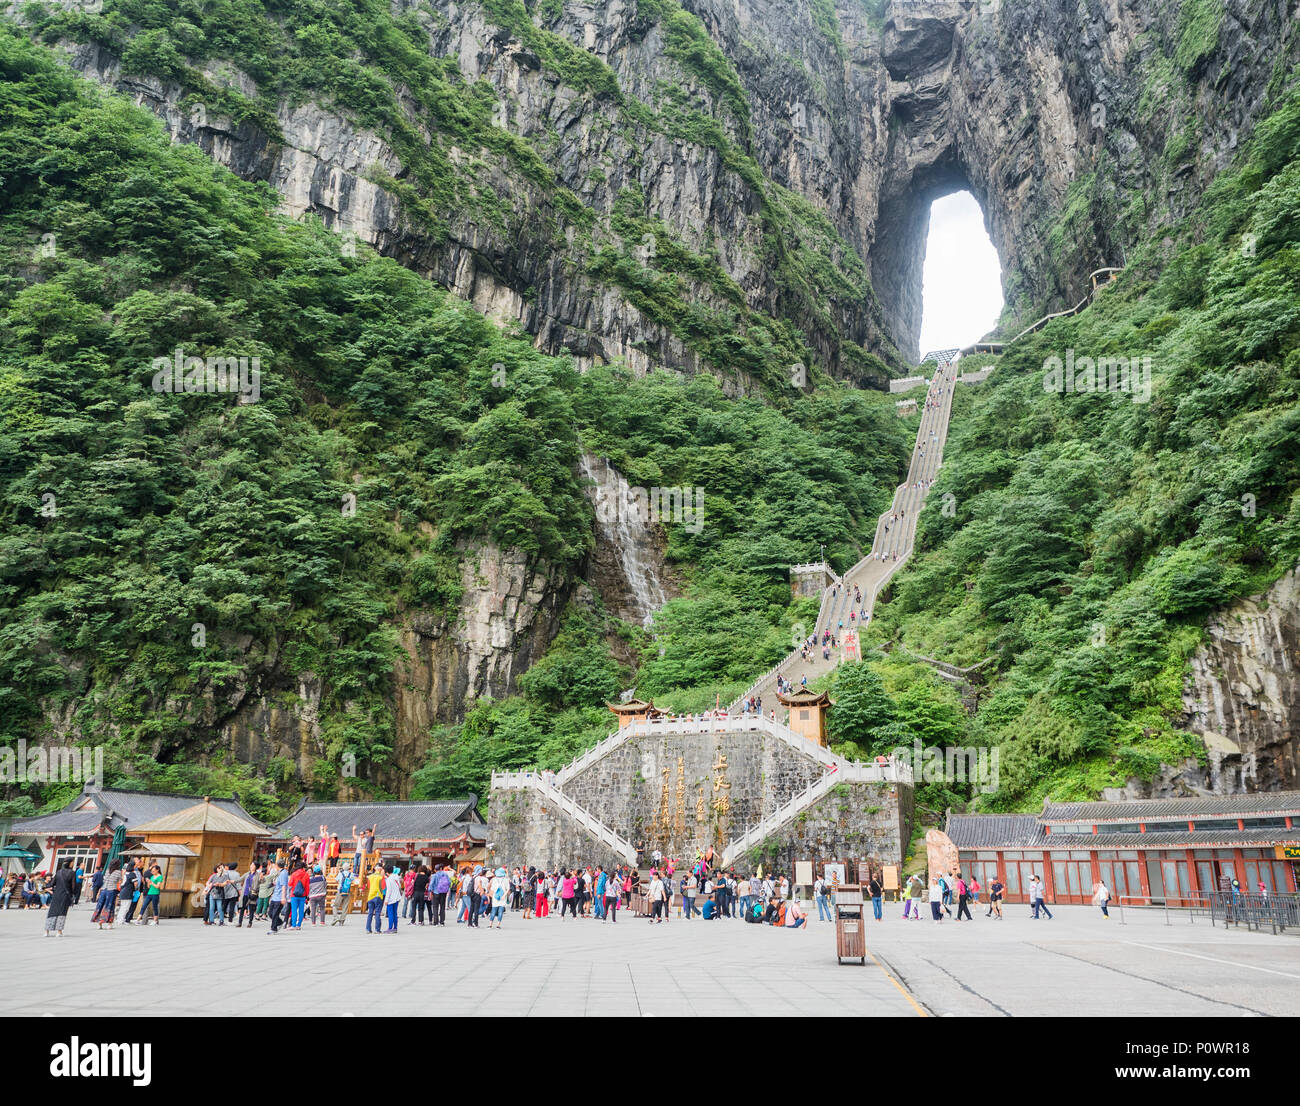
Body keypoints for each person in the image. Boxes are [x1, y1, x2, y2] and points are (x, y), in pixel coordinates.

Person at [43, 860, 75, 937]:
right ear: (70, 864)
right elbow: (73, 886)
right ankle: (59, 931)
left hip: (56, 894)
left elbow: (52, 883)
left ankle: (46, 931)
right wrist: (73, 894)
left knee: (52, 912)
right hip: (65, 895)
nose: (73, 864)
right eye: (72, 863)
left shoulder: (59, 872)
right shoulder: (72, 873)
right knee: (62, 912)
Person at [94, 860, 123, 930]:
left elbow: (104, 880)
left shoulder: (107, 871)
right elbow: (120, 881)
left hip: (104, 890)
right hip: (112, 890)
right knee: (110, 906)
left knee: (101, 906)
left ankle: (99, 923)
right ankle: (109, 924)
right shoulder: (118, 872)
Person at [364, 865, 385, 934]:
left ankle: (368, 929)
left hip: (370, 896)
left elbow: (369, 886)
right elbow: (383, 887)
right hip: (378, 896)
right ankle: (377, 929)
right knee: (377, 913)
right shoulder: (381, 877)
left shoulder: (370, 877)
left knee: (370, 913)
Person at [383, 864, 402, 933]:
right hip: (397, 897)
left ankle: (390, 928)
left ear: (386, 872)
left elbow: (389, 890)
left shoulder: (389, 879)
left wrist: (386, 900)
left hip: (391, 898)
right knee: (395, 913)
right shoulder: (396, 877)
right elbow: (399, 886)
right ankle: (395, 927)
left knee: (390, 914)